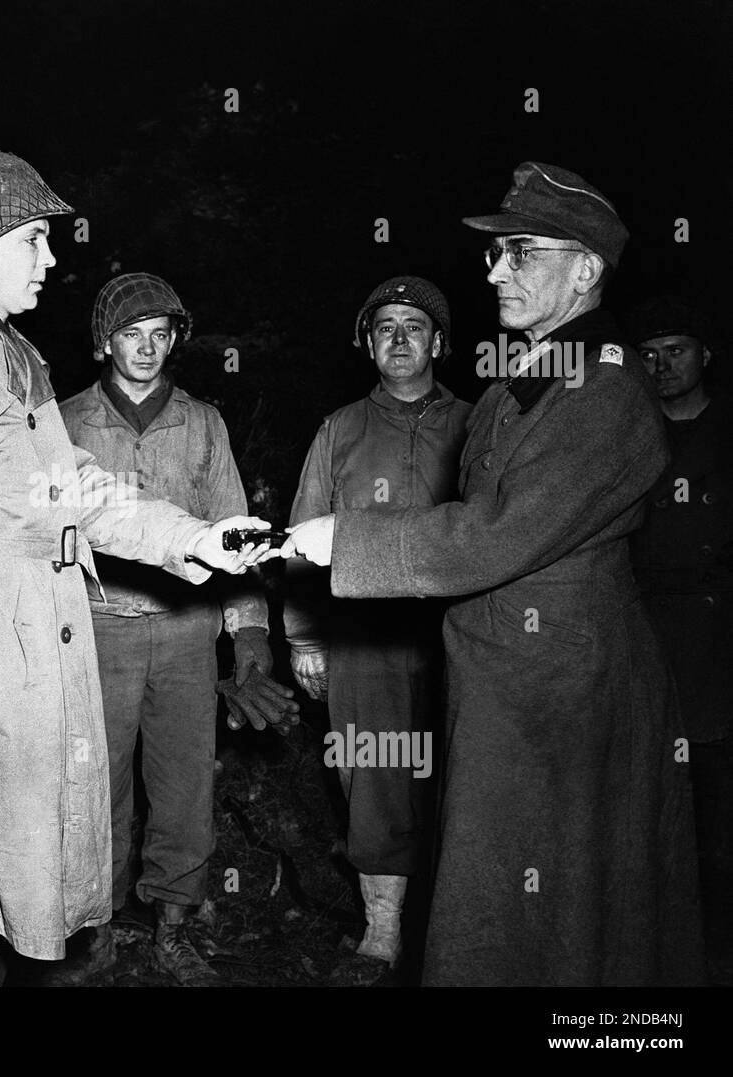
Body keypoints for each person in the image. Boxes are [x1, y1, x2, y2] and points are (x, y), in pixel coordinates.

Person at [0, 151, 276, 987]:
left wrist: (194, 540)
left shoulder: (10, 361)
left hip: (15, 699)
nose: (52, 257)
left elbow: (83, 494)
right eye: (34, 239)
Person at [283, 162, 704, 985]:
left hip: (563, 692)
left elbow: (495, 536)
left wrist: (349, 539)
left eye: (521, 252)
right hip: (515, 684)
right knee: (512, 904)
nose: (494, 271)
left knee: (559, 910)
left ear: (586, 270)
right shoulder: (532, 380)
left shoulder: (604, 391)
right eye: (494, 254)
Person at [57, 273, 296, 985]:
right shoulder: (62, 423)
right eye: (132, 334)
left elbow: (236, 532)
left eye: (162, 335)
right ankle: (90, 931)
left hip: (188, 632)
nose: (148, 348)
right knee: (95, 786)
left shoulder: (203, 423)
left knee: (184, 783)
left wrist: (248, 635)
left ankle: (173, 922)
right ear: (105, 340)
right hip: (99, 630)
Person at [284, 276, 469, 975]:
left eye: (413, 325)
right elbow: (301, 540)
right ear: (366, 344)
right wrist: (304, 638)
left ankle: (459, 932)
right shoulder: (340, 429)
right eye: (383, 326)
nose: (398, 338)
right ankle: (384, 933)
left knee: (464, 778)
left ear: (439, 342)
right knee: (376, 776)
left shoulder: (480, 423)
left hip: (459, 636)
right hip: (364, 641)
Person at [628, 296, 731, 983]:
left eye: (678, 350)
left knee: (718, 805)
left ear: (706, 355)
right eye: (652, 353)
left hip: (720, 638)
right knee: (650, 801)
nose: (664, 366)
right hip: (646, 635)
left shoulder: (727, 433)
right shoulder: (632, 436)